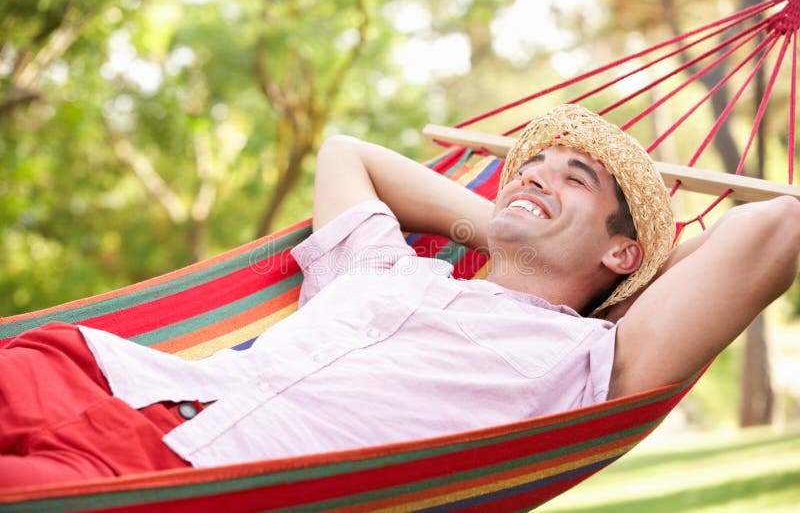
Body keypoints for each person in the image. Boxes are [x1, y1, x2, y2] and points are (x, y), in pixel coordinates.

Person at [1, 104, 798, 488]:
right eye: (533, 167)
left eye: (574, 178)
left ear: (621, 251)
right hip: (102, 379)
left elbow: (778, 227)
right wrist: (513, 220)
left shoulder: (589, 361)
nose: (536, 176)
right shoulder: (381, 267)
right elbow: (351, 154)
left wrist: (639, 268)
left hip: (187, 480)